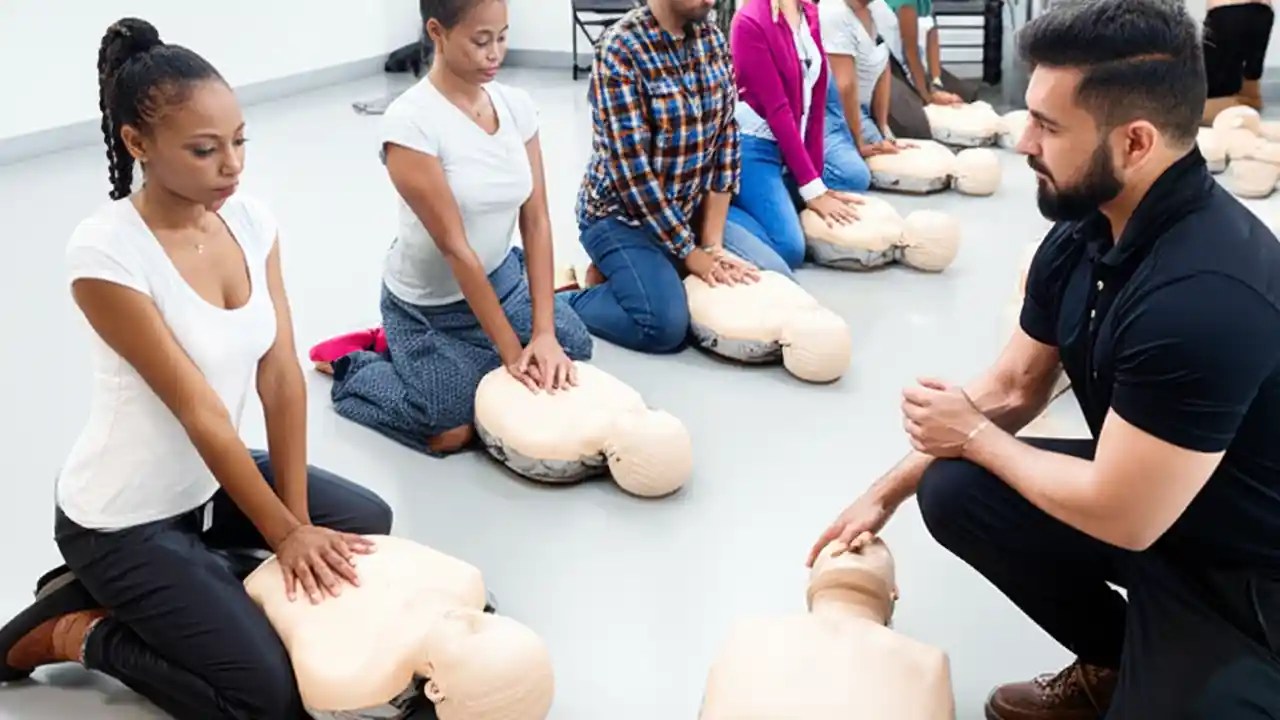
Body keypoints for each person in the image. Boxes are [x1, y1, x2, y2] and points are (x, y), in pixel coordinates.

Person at [808, 0, 1280, 718]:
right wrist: (887, 491)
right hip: (1155, 493)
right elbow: (1012, 386)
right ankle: (1117, 660)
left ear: (1135, 142)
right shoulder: (1090, 223)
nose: (1024, 140)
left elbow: (1125, 516)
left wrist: (972, 437)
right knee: (954, 487)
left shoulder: (1203, 294)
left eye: (1049, 126)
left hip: (1247, 566)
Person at [0, 18, 395, 719]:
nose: (232, 166)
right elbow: (199, 408)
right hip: (123, 518)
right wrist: (280, 537)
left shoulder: (252, 222)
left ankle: (191, 582)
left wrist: (297, 524)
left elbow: (279, 375)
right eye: (206, 150)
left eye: (240, 142)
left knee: (366, 521)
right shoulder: (105, 253)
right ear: (137, 144)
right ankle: (77, 631)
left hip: (207, 486)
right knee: (266, 699)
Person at [314, 0, 595, 456]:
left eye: (502, 37)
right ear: (437, 32)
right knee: (446, 427)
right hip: (430, 307)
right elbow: (456, 249)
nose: (495, 54)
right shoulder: (410, 123)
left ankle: (447, 362)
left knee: (573, 347)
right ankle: (357, 365)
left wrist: (542, 333)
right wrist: (510, 353)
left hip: (502, 280)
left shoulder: (517, 107)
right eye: (481, 41)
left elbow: (537, 218)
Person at [566, 0, 799, 354]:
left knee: (772, 276)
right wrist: (691, 254)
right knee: (663, 326)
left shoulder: (713, 40)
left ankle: (634, 271)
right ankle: (571, 300)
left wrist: (712, 244)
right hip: (620, 215)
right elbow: (634, 176)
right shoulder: (620, 48)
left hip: (686, 209)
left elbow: (725, 140)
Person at [727, 0, 869, 270]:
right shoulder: (750, 21)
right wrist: (812, 189)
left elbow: (815, 106)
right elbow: (778, 111)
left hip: (788, 142)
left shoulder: (808, 12)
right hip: (752, 144)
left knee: (834, 192)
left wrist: (816, 184)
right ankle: (711, 218)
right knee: (789, 248)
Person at [819, 0, 900, 156]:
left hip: (864, 108)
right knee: (856, 175)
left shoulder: (879, 9)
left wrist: (884, 128)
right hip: (835, 111)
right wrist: (859, 144)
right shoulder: (832, 12)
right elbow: (844, 86)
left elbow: (883, 65)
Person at [1201, 0, 1274, 124]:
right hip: (1263, 10)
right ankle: (1245, 108)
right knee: (1249, 85)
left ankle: (1237, 108)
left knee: (1208, 94)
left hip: (1225, 10)